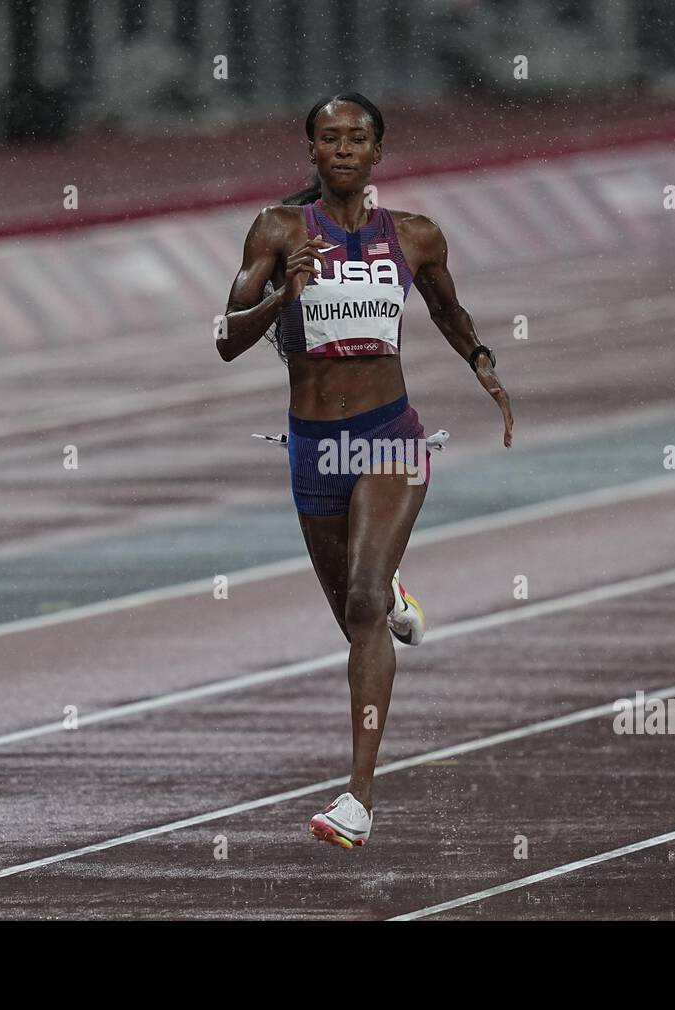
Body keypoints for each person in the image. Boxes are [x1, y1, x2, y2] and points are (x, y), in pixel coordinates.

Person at [218, 93, 514, 847]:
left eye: (357, 139)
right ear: (312, 152)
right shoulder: (278, 230)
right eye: (329, 138)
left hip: (390, 438)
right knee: (356, 611)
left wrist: (481, 362)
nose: (343, 149)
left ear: (378, 153)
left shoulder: (415, 237)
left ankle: (357, 799)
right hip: (315, 446)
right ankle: (390, 594)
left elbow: (449, 311)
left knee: (358, 606)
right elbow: (226, 337)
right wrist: (286, 291)